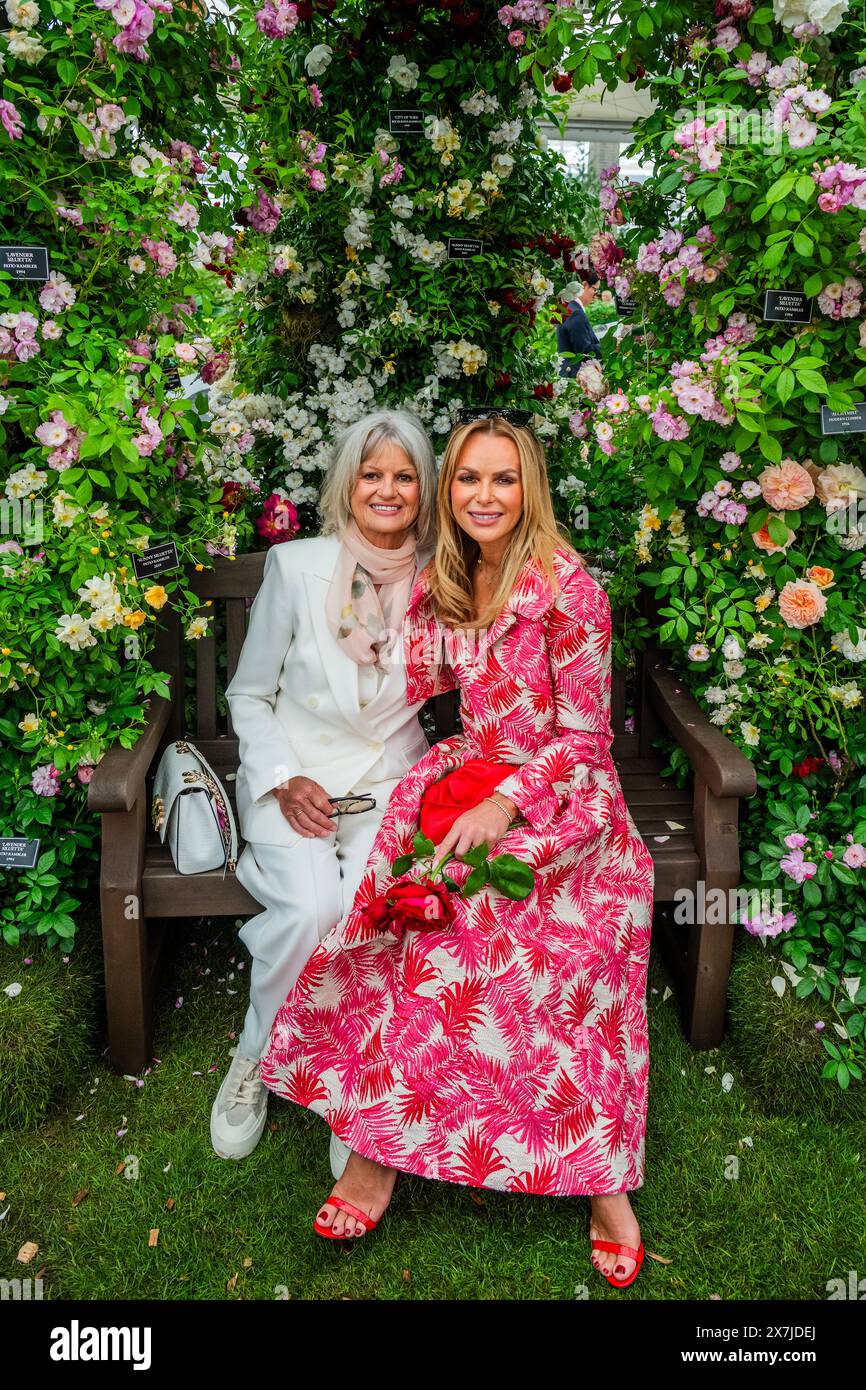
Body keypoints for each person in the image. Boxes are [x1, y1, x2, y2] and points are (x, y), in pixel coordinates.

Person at [259, 411, 655, 1288]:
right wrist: (357, 599)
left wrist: (508, 802)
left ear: (529, 490)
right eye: (468, 479)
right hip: (466, 780)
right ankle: (378, 1152)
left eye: (502, 480)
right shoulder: (454, 574)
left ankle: (603, 1183)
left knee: (550, 961)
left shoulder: (569, 588)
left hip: (560, 805)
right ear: (451, 492)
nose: (483, 495)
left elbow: (586, 737)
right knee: (416, 930)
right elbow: (413, 674)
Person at [210, 409, 438, 1165]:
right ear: (347, 484)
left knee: (367, 912)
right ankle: (255, 1054)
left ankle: (352, 1086)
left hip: (389, 783)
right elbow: (247, 694)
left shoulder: (450, 574)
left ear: (423, 489)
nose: (388, 489)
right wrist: (282, 777)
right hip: (296, 781)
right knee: (312, 907)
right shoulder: (297, 567)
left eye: (404, 476)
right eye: (372, 473)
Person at [556, 271, 602, 378]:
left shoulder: (569, 308)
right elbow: (585, 353)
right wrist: (610, 344)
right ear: (585, 285)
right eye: (595, 290)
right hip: (575, 376)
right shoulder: (576, 313)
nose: (596, 295)